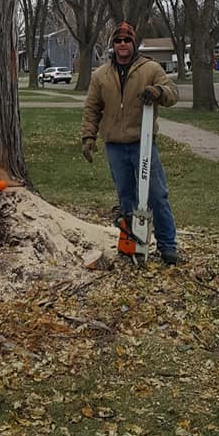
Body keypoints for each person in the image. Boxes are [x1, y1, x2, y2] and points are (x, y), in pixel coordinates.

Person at [80, 21, 181, 264]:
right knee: (126, 197)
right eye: (118, 41)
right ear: (113, 45)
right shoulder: (101, 75)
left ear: (133, 43)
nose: (122, 44)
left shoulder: (151, 68)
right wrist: (88, 136)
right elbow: (92, 108)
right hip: (114, 144)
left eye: (126, 40)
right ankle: (132, 244)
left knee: (157, 194)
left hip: (143, 142)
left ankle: (168, 246)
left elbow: (173, 93)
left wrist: (158, 92)